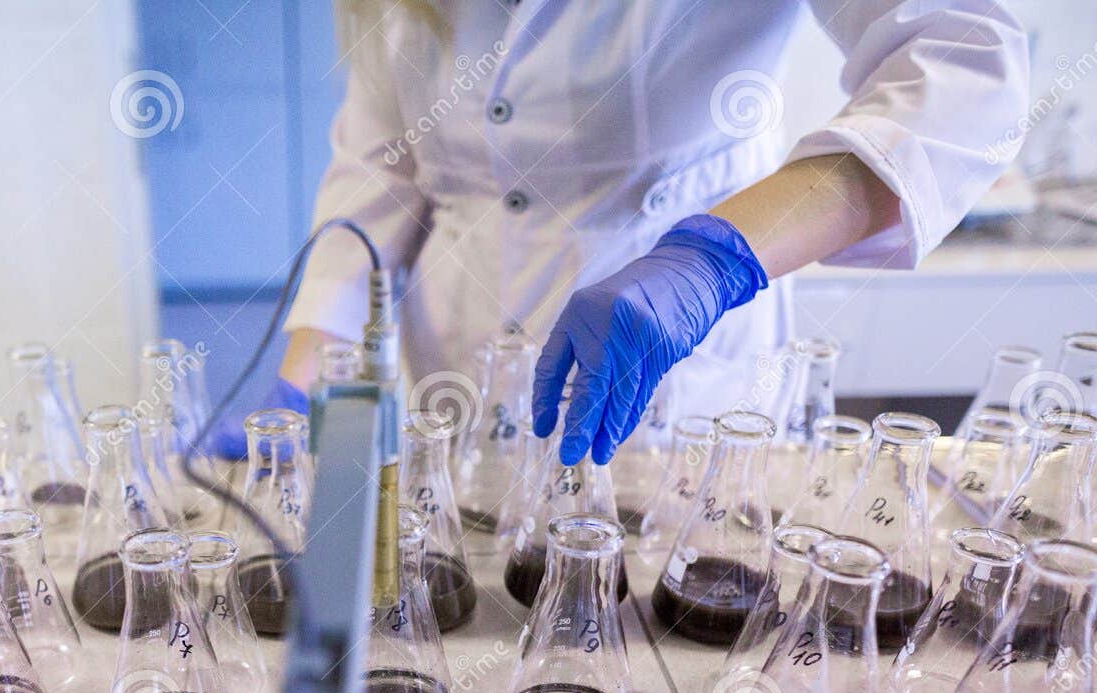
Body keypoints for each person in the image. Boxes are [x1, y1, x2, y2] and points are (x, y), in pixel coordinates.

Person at [217, 0, 1027, 467]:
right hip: (453, 370)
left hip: (678, 374)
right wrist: (307, 369)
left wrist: (717, 258)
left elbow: (969, 67)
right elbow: (380, 165)